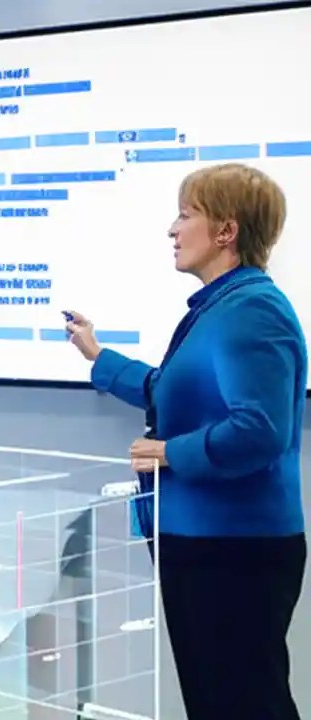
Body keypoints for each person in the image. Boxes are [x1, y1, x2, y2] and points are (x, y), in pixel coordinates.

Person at [65, 163, 305, 720]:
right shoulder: (222, 309)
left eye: (186, 214)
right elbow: (169, 389)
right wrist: (100, 359)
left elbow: (261, 431)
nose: (172, 229)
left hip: (233, 551)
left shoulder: (253, 312)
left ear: (226, 231)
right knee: (217, 700)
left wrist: (170, 453)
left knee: (244, 703)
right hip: (202, 544)